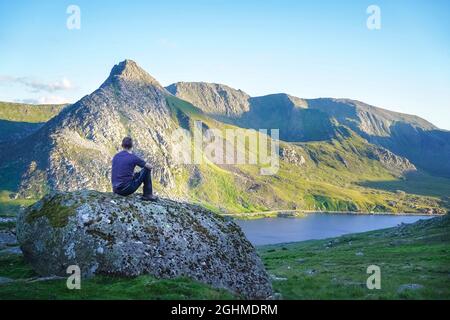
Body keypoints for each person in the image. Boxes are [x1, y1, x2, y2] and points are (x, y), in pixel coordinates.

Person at [111, 137, 158, 201]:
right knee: (146, 170)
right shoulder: (133, 157)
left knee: (135, 175)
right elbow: (149, 167)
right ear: (132, 146)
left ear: (122, 145)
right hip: (126, 189)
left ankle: (147, 195)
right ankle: (148, 195)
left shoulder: (116, 156)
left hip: (115, 189)